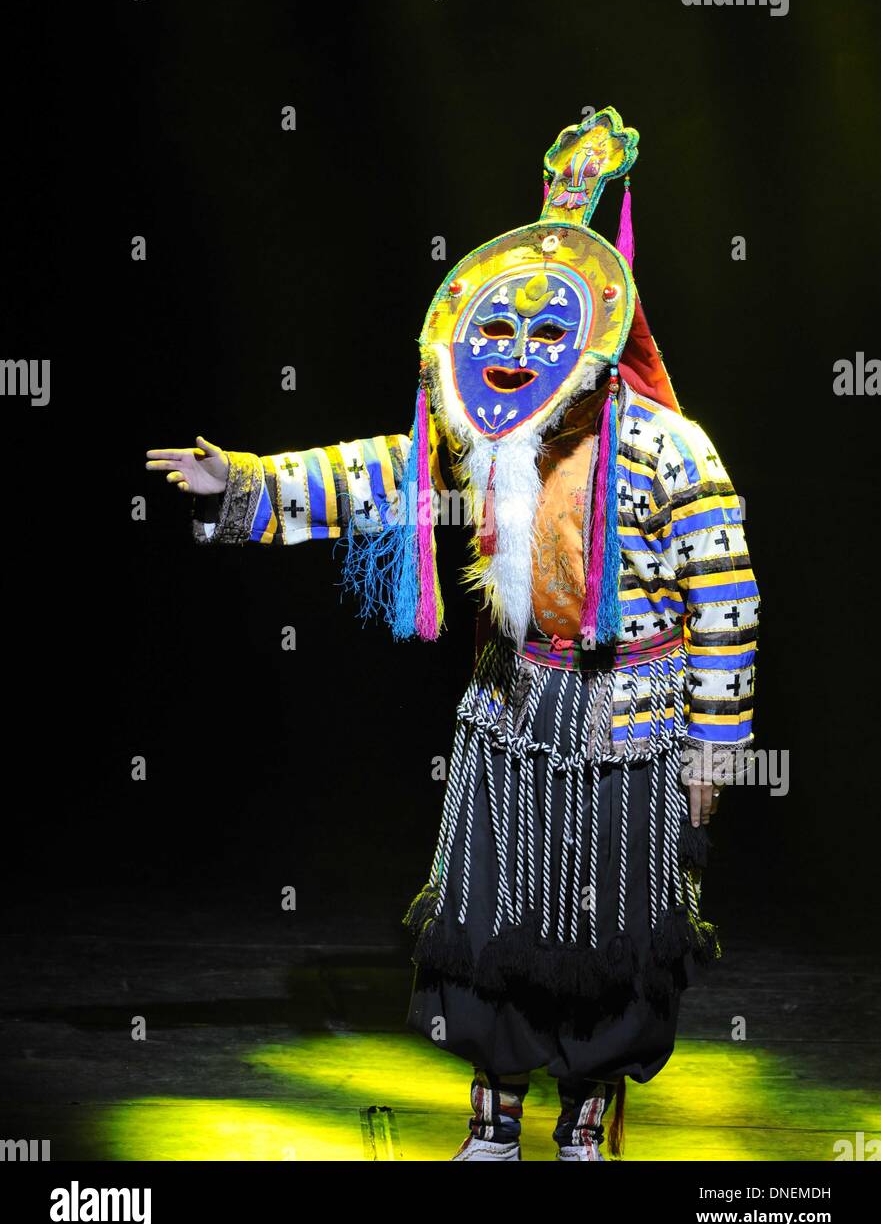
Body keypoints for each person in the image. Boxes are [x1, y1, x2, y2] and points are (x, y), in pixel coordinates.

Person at [146, 108, 759, 1161]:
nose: (517, 355)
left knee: (613, 933)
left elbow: (722, 592)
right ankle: (493, 1111)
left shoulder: (666, 446)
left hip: (630, 717)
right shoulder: (480, 440)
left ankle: (587, 1110)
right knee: (493, 920)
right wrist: (241, 480)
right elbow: (372, 475)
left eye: (541, 335)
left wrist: (712, 742)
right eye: (500, 334)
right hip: (511, 709)